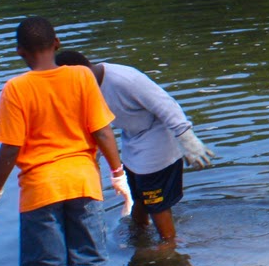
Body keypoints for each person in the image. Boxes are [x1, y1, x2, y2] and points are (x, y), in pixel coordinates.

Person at [0, 17, 132, 266]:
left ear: (19, 51)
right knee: (89, 263)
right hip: (82, 181)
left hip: (39, 188)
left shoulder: (16, 89)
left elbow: (10, 147)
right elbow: (102, 131)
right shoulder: (80, 76)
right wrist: (118, 172)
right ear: (57, 43)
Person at [55, 50, 214, 243]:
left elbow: (165, 104)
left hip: (156, 140)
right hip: (132, 140)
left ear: (83, 70)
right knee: (137, 197)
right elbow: (93, 127)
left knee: (156, 203)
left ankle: (169, 244)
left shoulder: (124, 79)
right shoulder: (83, 88)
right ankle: (138, 235)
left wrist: (187, 138)